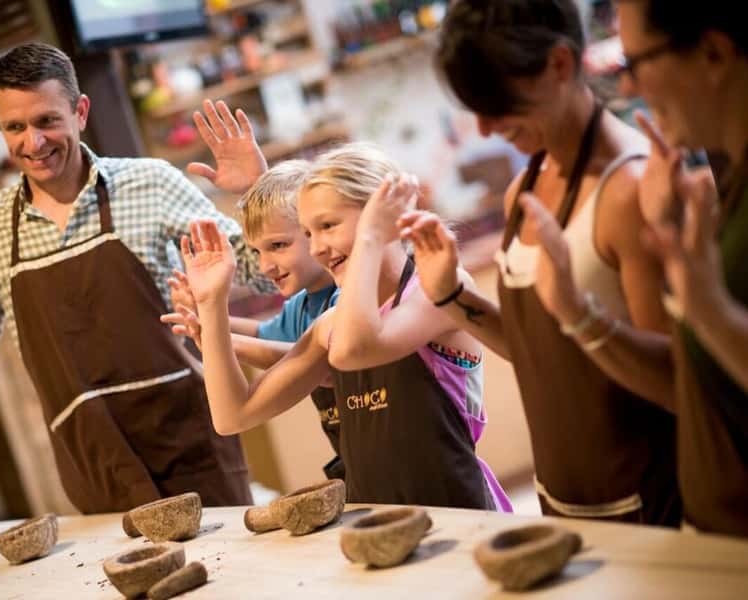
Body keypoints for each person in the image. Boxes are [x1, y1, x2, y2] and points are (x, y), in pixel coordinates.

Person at [0, 43, 274, 513]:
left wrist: (258, 192)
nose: (34, 143)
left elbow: (263, 274)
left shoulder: (151, 183)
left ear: (80, 112)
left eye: (47, 120)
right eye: (15, 127)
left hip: (193, 446)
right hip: (97, 469)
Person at [399, 0, 680, 524]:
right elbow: (540, 355)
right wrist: (452, 296)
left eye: (495, 103)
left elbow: (681, 387)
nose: (485, 128)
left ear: (559, 64)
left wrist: (582, 316)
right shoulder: (522, 191)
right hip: (563, 503)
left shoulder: (630, 189)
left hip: (648, 510)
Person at [512, 0, 748, 537]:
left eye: (636, 64)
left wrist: (707, 307)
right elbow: (700, 385)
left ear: (713, 53)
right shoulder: (723, 181)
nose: (626, 87)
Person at [174, 143, 509, 510]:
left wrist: (370, 238)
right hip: (376, 526)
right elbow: (233, 415)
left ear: (383, 214)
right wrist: (211, 304)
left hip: (459, 518)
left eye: (327, 226)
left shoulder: (435, 290)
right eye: (309, 233)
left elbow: (353, 349)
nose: (317, 248)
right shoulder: (331, 324)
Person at [164, 158, 345, 478]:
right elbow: (265, 337)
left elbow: (318, 361)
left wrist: (215, 334)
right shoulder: (303, 305)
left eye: (278, 245)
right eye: (257, 252)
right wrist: (206, 316)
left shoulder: (345, 296)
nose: (265, 267)